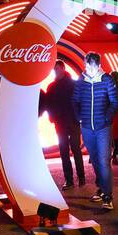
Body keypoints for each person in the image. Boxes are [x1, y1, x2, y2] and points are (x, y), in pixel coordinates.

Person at [72, 52, 118, 211]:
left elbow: (115, 102)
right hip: (86, 126)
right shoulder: (81, 81)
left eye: (92, 67)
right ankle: (101, 187)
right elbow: (74, 100)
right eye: (87, 67)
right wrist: (79, 117)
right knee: (95, 159)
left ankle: (107, 195)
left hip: (103, 128)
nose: (89, 70)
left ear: (98, 66)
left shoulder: (107, 79)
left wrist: (107, 118)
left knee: (104, 160)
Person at [41, 61, 85, 189]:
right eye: (54, 69)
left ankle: (79, 178)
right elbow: (49, 105)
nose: (56, 71)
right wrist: (53, 118)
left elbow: (80, 102)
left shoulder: (69, 85)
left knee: (74, 150)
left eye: (57, 69)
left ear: (63, 69)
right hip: (63, 123)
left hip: (71, 122)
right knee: (66, 151)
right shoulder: (54, 86)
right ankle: (71, 179)